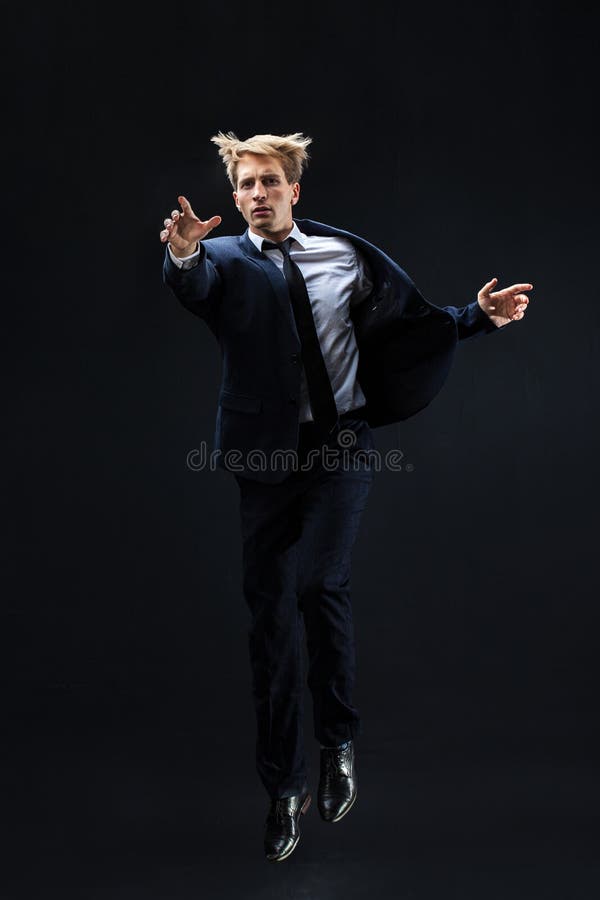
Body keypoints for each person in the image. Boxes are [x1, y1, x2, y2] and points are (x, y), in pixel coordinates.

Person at [160, 132, 532, 862]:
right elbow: (193, 288)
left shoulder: (345, 255)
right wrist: (180, 254)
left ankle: (338, 742)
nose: (257, 195)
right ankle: (284, 788)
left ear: (294, 190)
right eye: (245, 185)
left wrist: (477, 317)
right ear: (234, 198)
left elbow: (405, 327)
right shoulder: (223, 261)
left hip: (340, 447)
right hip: (264, 459)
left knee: (319, 583)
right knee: (269, 622)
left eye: (269, 182)